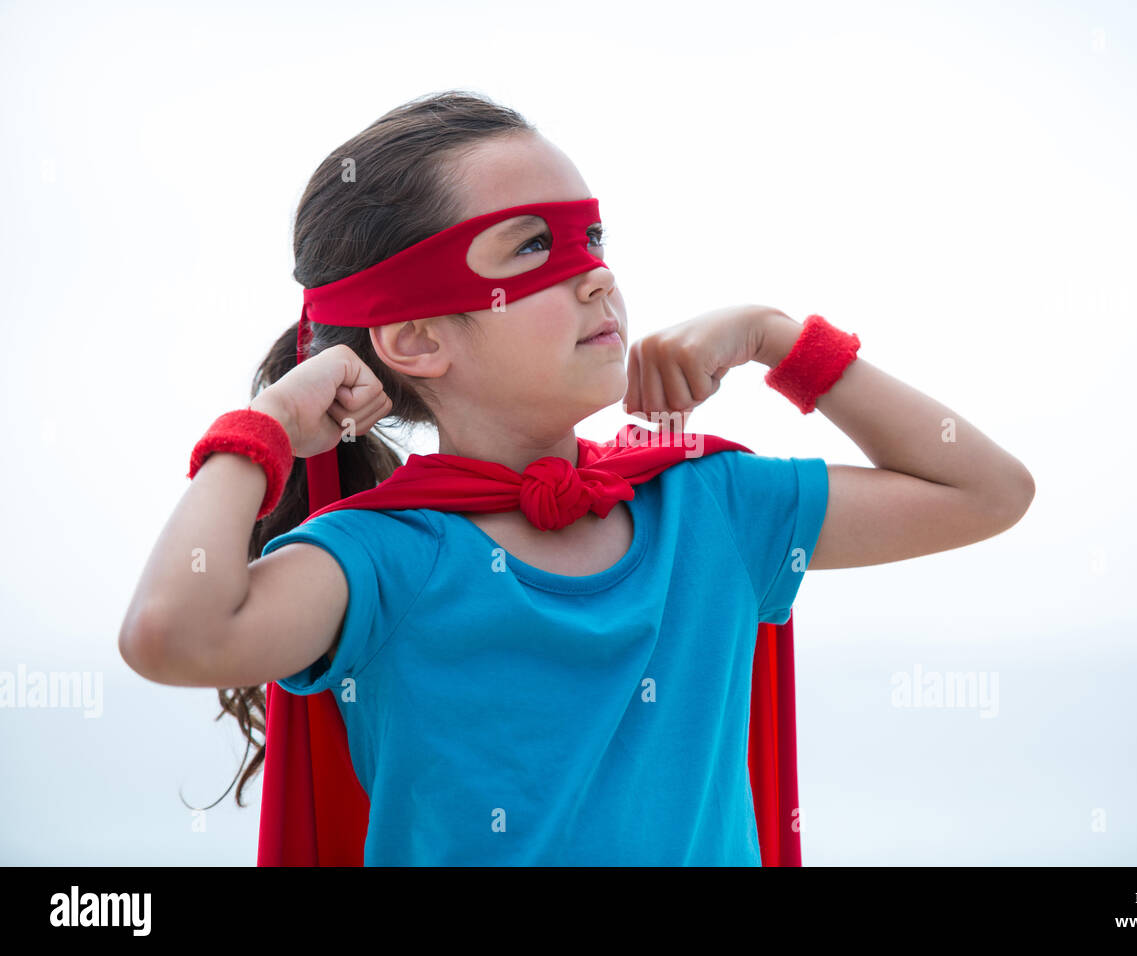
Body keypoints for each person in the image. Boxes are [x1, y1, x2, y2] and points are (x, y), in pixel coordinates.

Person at [118, 89, 1035, 866]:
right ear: (416, 338)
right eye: (531, 249)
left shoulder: (712, 506)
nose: (595, 276)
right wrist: (272, 423)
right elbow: (170, 634)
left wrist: (776, 337)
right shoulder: (378, 558)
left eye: (592, 238)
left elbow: (988, 493)